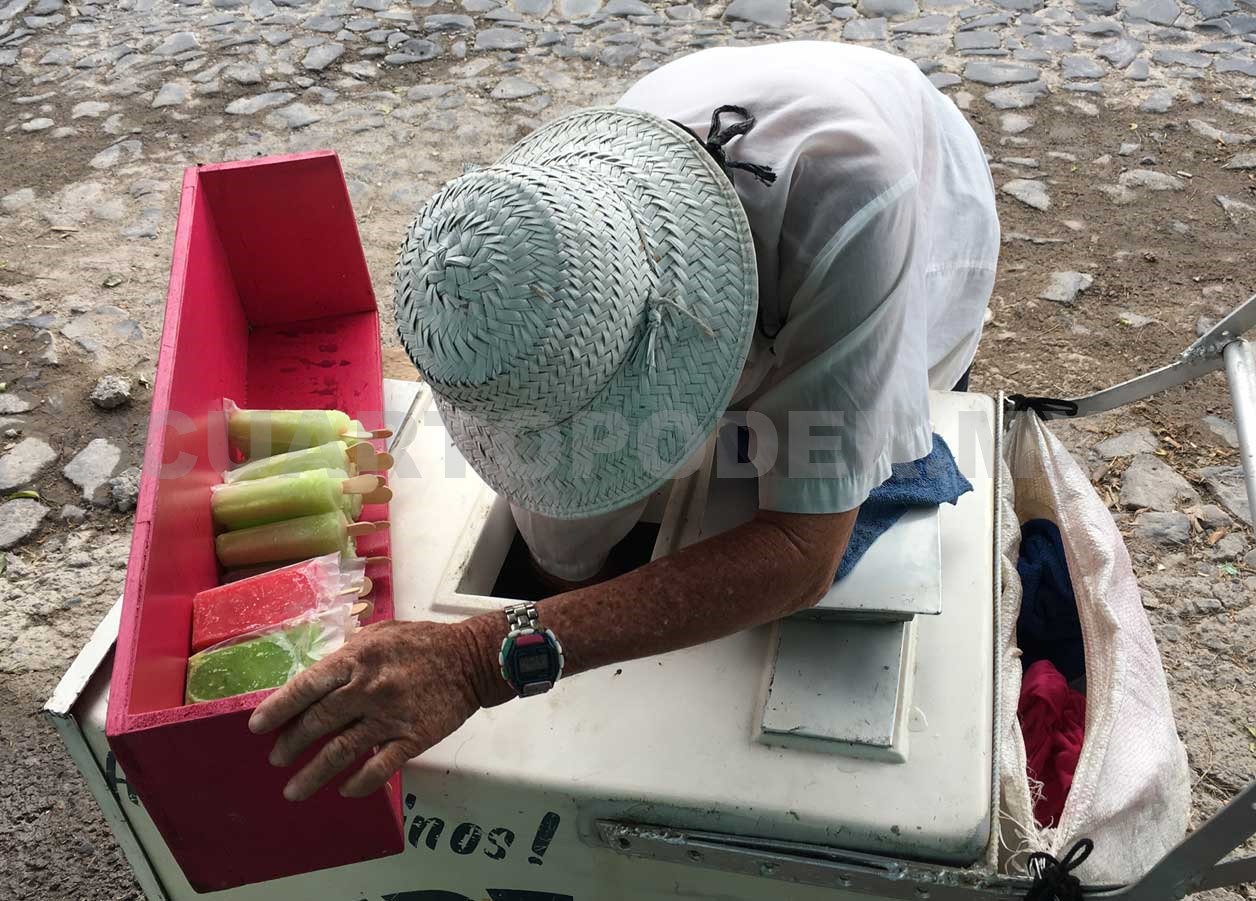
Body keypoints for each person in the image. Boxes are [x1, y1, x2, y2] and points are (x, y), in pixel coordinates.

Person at [248, 40, 1000, 802]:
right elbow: (557, 539)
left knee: (839, 462)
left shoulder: (853, 197)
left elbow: (803, 548)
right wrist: (563, 613)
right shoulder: (530, 259)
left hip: (908, 207)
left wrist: (481, 659)